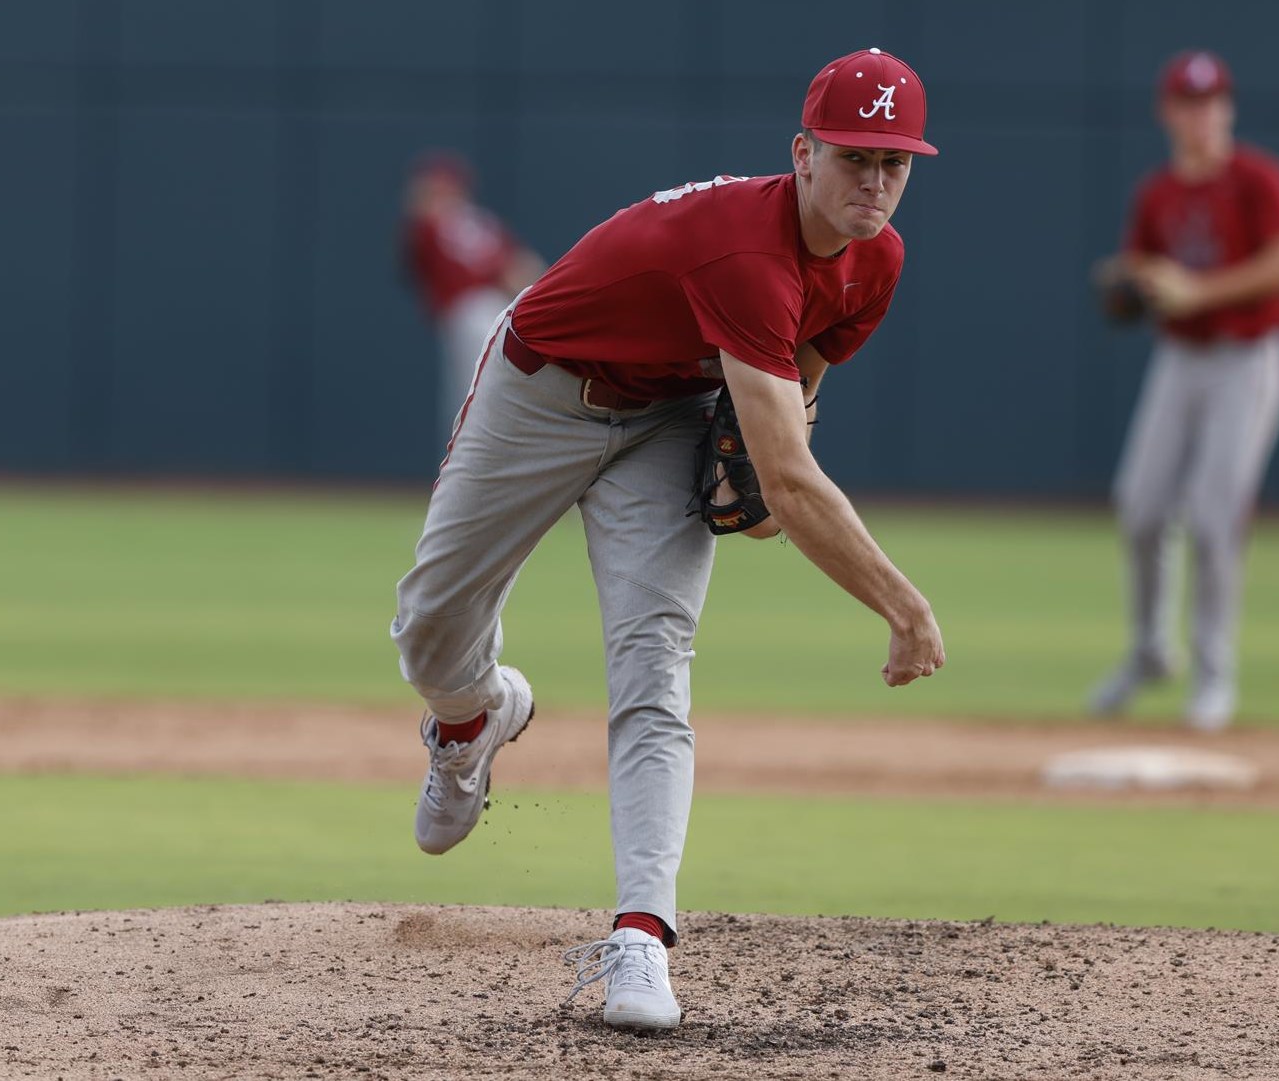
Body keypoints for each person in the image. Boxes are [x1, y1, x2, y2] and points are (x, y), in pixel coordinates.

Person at [388, 48, 946, 1031]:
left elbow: (793, 404)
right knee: (429, 633)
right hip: (544, 389)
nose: (873, 180)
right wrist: (900, 604)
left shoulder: (877, 262)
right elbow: (786, 480)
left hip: (672, 415)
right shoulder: (744, 255)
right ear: (802, 154)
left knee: (653, 661)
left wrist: (774, 451)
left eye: (892, 161)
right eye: (852, 156)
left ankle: (640, 935)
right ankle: (472, 720)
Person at [1088, 50, 1279, 732]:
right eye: (1189, 102)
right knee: (1140, 507)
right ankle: (1151, 651)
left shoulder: (1257, 177)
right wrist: (1130, 280)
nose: (1201, 113)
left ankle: (1214, 675)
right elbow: (1142, 270)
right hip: (1180, 359)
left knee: (1215, 518)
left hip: (1247, 358)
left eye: (1211, 100)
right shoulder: (1157, 192)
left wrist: (1197, 290)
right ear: (1168, 112)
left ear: (1228, 107)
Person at [399, 151, 546, 429]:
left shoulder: (436, 223)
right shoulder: (478, 220)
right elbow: (522, 266)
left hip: (475, 311)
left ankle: (469, 454)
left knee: (472, 397)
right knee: (482, 393)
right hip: (499, 309)